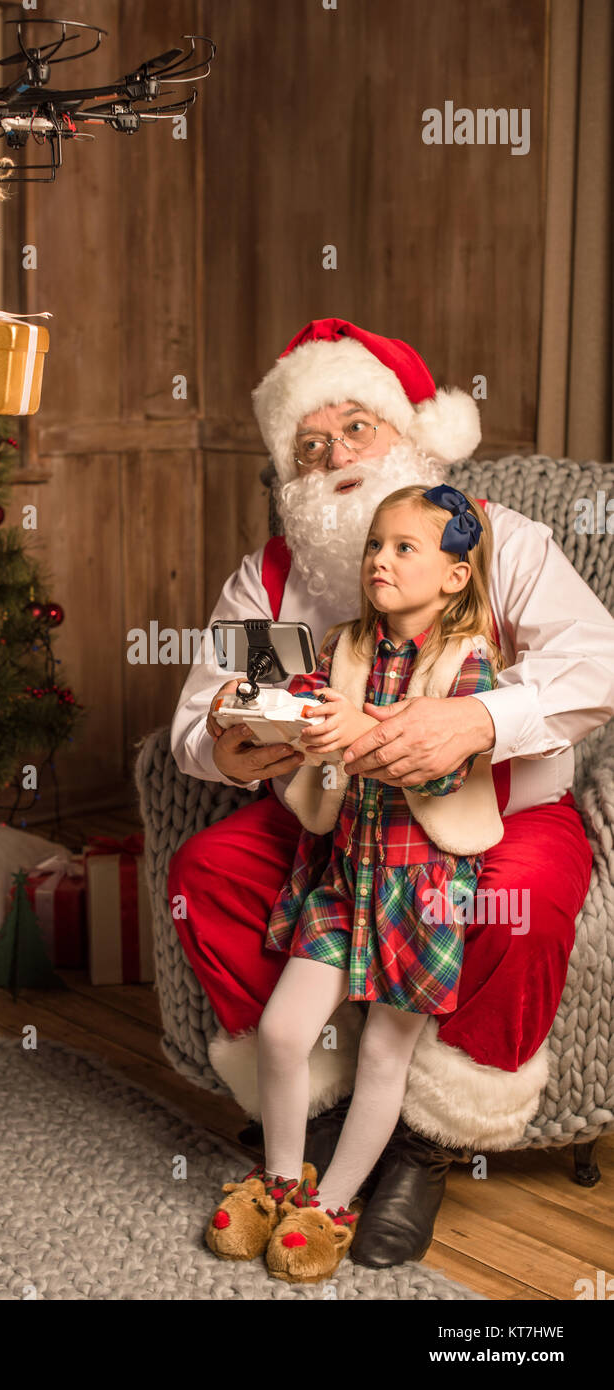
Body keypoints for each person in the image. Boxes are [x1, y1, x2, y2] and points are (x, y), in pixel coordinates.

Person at [169, 318, 614, 1267]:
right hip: (335, 825)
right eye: (308, 444)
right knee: (205, 869)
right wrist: (231, 746)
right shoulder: (275, 577)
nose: (332, 456)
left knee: (523, 905)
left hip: (499, 813)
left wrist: (481, 720)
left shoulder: (498, 543)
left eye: (354, 428)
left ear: (412, 436)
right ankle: (323, 1122)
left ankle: (426, 1142)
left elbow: (598, 660)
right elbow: (200, 717)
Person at [205, 483, 502, 1281]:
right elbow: (310, 743)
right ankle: (276, 1182)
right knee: (281, 1031)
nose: (379, 558)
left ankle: (329, 1207)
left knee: (381, 1055)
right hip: (343, 875)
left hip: (421, 885)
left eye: (404, 547)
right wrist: (259, 714)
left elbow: (443, 775)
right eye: (374, 543)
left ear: (453, 576)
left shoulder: (469, 662)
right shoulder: (338, 647)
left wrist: (358, 726)